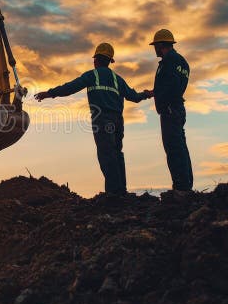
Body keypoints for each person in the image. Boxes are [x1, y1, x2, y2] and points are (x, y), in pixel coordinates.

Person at [34, 43, 152, 195]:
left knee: (106, 155)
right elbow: (134, 97)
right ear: (110, 61)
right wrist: (147, 94)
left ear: (96, 59)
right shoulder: (118, 79)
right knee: (117, 153)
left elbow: (70, 88)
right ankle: (121, 190)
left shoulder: (92, 75)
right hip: (117, 122)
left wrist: (49, 93)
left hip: (102, 120)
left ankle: (114, 193)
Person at [149, 29, 193, 192]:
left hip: (170, 110)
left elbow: (171, 86)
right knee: (181, 146)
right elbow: (173, 85)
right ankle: (186, 184)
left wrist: (164, 101)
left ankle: (181, 187)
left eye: (155, 45)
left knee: (173, 148)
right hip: (177, 108)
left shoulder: (169, 61)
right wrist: (155, 92)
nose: (154, 49)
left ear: (160, 45)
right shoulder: (182, 62)